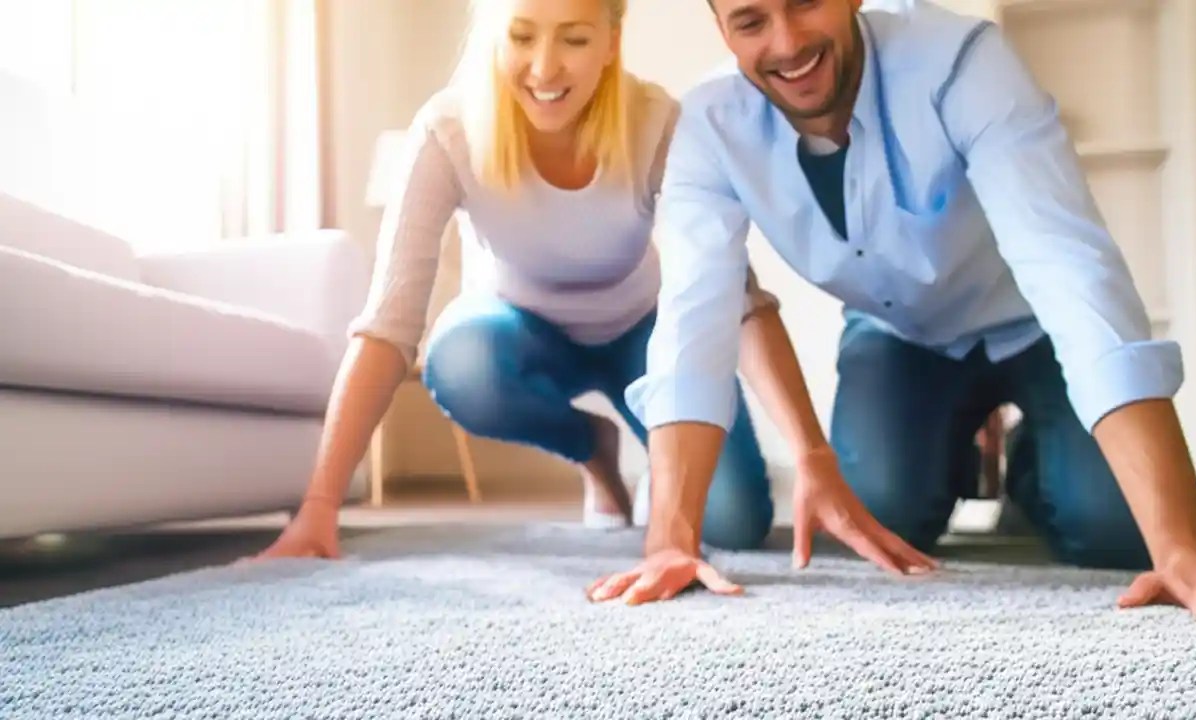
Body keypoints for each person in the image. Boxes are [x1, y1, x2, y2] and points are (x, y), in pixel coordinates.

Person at [588, 0, 1196, 631]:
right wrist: (670, 545)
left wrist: (1183, 548)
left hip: (1032, 326)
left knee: (1112, 529)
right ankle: (953, 446)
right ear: (721, 30)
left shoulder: (964, 63)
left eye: (806, 4)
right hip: (902, 339)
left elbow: (1071, 273)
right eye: (750, 21)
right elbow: (693, 315)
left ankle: (1033, 465)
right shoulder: (711, 124)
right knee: (878, 519)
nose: (787, 42)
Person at [249, 0, 935, 575]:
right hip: (518, 332)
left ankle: (634, 446)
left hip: (644, 337)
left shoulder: (657, 123)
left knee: (734, 521)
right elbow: (388, 324)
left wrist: (812, 454)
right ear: (494, 34)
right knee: (461, 362)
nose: (545, 68)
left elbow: (740, 299)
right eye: (521, 37)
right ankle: (592, 449)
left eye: (573, 39)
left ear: (611, 40)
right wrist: (317, 510)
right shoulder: (447, 131)